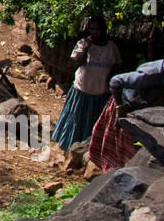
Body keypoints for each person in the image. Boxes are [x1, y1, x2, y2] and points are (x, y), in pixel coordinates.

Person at [90, 37, 164, 171]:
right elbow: (115, 82)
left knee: (137, 151)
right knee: (122, 149)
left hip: (148, 114)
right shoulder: (151, 74)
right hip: (127, 108)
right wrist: (120, 108)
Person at [51, 15, 120, 150]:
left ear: (105, 30)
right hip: (82, 91)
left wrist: (109, 82)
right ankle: (69, 148)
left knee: (93, 124)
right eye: (93, 29)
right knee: (76, 121)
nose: (96, 32)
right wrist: (87, 47)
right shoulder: (83, 44)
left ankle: (89, 151)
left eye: (99, 29)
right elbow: (77, 62)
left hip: (100, 93)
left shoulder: (111, 47)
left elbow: (117, 66)